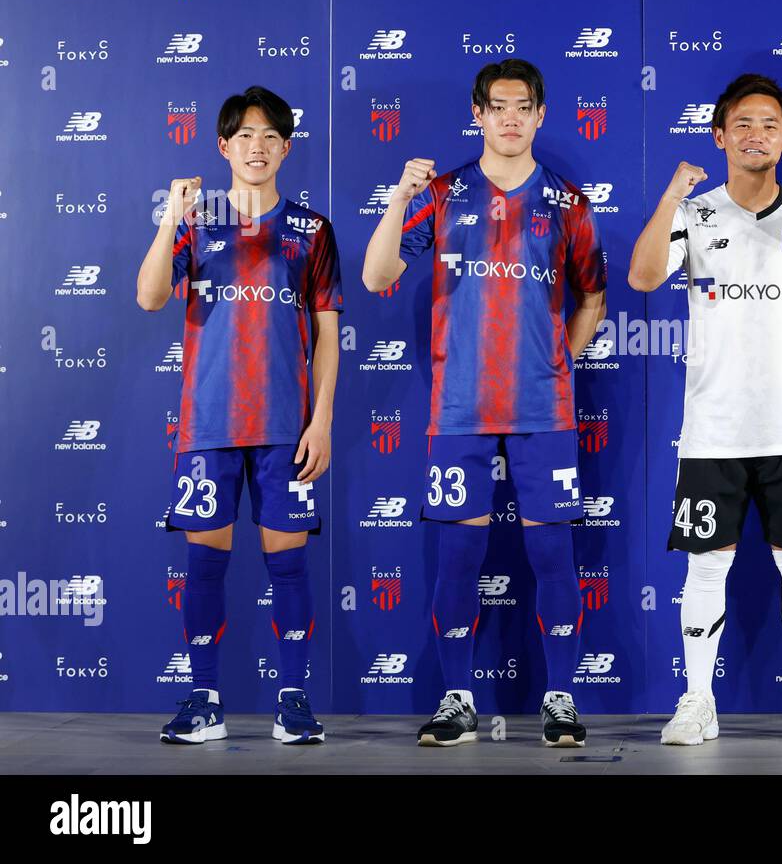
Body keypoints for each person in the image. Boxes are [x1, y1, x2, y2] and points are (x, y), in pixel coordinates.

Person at [362, 59, 607, 748]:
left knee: (555, 555)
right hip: (461, 409)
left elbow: (593, 295)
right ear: (477, 114)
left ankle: (560, 697)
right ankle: (458, 700)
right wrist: (394, 199)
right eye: (496, 106)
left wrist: (561, 361)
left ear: (540, 115)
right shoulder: (440, 193)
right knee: (458, 560)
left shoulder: (566, 202)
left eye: (521, 107)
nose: (509, 118)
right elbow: (379, 275)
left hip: (543, 411)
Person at [629, 74, 782, 746]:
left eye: (769, 124)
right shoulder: (696, 215)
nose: (756, 134)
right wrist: (673, 195)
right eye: (744, 124)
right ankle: (696, 700)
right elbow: (644, 277)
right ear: (720, 135)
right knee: (705, 567)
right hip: (713, 430)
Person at [137, 85, 342, 745]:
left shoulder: (311, 230)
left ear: (286, 146)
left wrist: (323, 420)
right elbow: (147, 297)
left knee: (288, 563)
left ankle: (294, 700)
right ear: (224, 146)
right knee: (205, 563)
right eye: (245, 136)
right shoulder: (196, 223)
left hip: (286, 425)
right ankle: (204, 700)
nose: (258, 147)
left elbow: (329, 334)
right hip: (210, 424)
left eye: (270, 137)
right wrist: (171, 216)